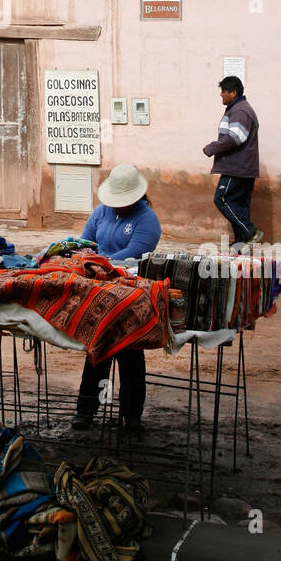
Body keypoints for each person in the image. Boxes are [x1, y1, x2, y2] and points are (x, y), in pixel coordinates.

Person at [72, 163, 162, 434]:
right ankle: (87, 410)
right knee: (97, 349)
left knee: (129, 351)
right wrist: (91, 261)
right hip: (98, 290)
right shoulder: (101, 212)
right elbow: (84, 245)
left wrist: (100, 261)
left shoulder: (147, 220)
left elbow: (133, 254)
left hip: (129, 294)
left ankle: (131, 415)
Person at [202, 76, 262, 252]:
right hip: (242, 167)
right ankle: (240, 243)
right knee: (239, 204)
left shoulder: (240, 110)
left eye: (224, 91)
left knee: (222, 199)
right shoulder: (238, 108)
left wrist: (213, 147)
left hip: (237, 167)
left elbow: (236, 138)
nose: (221, 95)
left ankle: (249, 232)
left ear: (233, 92)